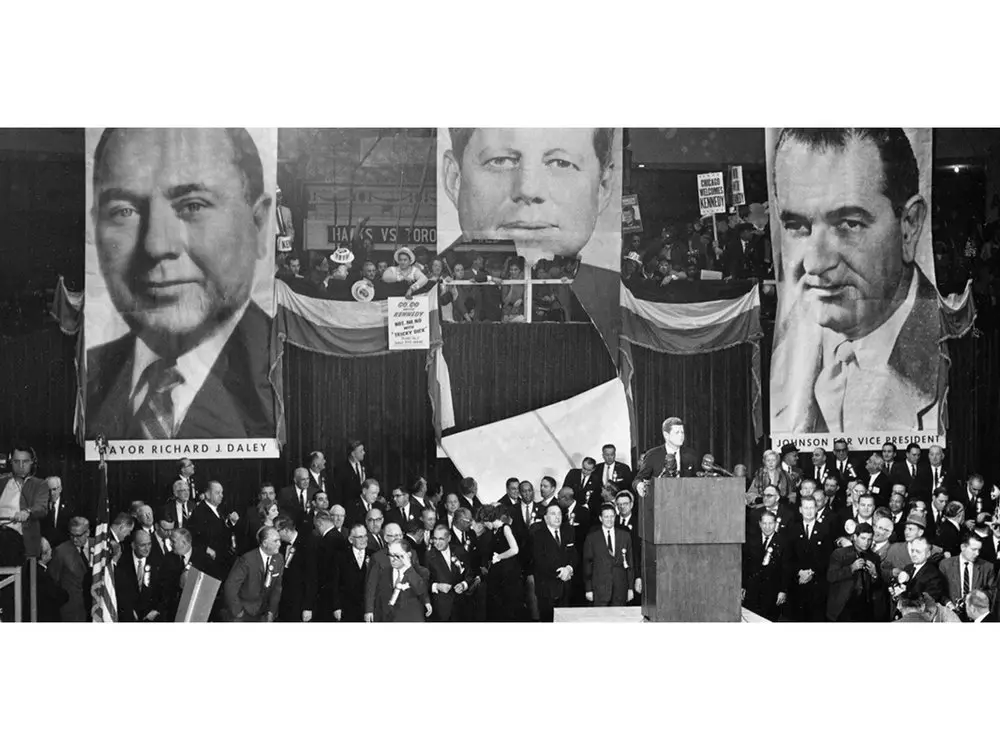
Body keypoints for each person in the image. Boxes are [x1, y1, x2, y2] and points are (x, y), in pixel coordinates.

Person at [86, 128, 276, 440]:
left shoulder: (283, 368)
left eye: (193, 206)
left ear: (258, 223)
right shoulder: (88, 376)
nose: (156, 244)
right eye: (124, 211)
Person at [770, 128, 940, 434]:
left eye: (849, 224)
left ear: (909, 227)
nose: (815, 263)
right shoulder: (783, 356)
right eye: (797, 225)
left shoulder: (955, 356)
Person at [442, 128, 616, 266]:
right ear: (455, 179)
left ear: (603, 187)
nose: (528, 190)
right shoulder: (428, 299)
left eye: (561, 163)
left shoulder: (621, 303)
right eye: (500, 161)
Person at [783, 495, 833, 622]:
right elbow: (788, 557)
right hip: (797, 584)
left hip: (817, 586)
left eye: (812, 507)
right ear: (800, 509)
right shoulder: (792, 529)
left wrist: (811, 573)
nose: (809, 511)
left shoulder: (825, 529)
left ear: (817, 509)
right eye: (806, 508)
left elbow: (827, 557)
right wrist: (799, 572)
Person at [222, 526, 284, 622]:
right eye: (275, 541)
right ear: (264, 543)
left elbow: (277, 588)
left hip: (264, 613)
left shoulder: (279, 559)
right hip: (245, 611)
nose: (279, 544)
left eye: (279, 540)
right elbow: (230, 586)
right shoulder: (247, 560)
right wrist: (238, 611)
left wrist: (272, 611)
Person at [825, 522, 885, 622]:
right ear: (854, 537)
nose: (866, 542)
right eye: (863, 538)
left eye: (869, 539)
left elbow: (878, 588)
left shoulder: (874, 557)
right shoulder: (840, 554)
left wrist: (875, 574)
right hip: (843, 607)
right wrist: (851, 568)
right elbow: (831, 576)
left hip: (864, 608)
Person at [0, 444, 49, 563]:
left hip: (18, 539)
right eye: (16, 462)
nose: (21, 466)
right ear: (10, 462)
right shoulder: (2, 481)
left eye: (25, 462)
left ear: (32, 462)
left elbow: (41, 507)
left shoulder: (39, 484)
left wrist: (27, 512)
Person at [632, 417, 700, 497]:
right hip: (661, 500)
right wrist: (639, 485)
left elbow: (698, 480)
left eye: (682, 432)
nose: (681, 436)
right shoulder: (652, 455)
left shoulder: (691, 455)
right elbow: (637, 480)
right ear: (666, 435)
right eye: (677, 432)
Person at [530, 503, 576, 622]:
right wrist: (560, 573)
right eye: (553, 514)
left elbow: (574, 554)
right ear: (545, 518)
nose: (557, 517)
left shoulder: (568, 531)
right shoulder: (537, 535)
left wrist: (569, 569)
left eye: (559, 514)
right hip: (547, 589)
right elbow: (539, 561)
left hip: (566, 587)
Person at [582, 504, 636, 606]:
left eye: (612, 516)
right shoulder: (592, 538)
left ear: (615, 517)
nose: (609, 519)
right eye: (606, 517)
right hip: (599, 589)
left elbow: (630, 563)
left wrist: (630, 588)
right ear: (600, 518)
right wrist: (588, 589)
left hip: (620, 589)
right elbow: (587, 565)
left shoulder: (625, 536)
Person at [478, 504, 524, 621]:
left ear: (488, 519)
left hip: (508, 574)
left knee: (506, 608)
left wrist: (499, 556)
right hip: (499, 574)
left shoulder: (505, 528)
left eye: (484, 522)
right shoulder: (495, 530)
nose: (483, 525)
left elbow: (515, 549)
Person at [367, 539, 431, 622]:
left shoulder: (420, 572)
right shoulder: (383, 571)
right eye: (390, 555)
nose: (393, 559)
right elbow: (373, 591)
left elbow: (421, 590)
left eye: (397, 556)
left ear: (408, 555)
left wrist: (409, 568)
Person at [741, 510, 786, 620]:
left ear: (775, 524)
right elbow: (745, 565)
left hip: (772, 591)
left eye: (770, 523)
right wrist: (742, 585)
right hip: (752, 590)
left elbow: (786, 568)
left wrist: (783, 590)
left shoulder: (783, 542)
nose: (767, 527)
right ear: (760, 524)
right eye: (764, 523)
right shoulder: (751, 540)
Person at [114, 529, 166, 622]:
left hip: (151, 618)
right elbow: (119, 593)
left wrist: (156, 610)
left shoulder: (158, 562)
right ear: (133, 545)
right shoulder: (122, 562)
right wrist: (129, 612)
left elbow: (163, 591)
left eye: (149, 544)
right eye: (143, 545)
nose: (147, 549)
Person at [938, 533, 996, 616]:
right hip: (951, 615)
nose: (977, 553)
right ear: (963, 547)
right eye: (974, 549)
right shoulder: (945, 565)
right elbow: (940, 591)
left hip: (977, 615)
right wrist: (949, 605)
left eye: (979, 550)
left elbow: (992, 592)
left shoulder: (987, 567)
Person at [425, 525, 474, 622]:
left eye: (441, 539)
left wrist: (464, 585)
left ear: (449, 538)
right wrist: (437, 586)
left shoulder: (460, 551)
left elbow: (469, 573)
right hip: (441, 608)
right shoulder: (428, 556)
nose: (437, 542)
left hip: (461, 606)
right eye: (435, 539)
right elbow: (424, 581)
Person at [48, 517, 93, 622]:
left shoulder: (99, 546)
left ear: (87, 532)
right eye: (72, 535)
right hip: (73, 610)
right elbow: (54, 580)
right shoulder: (61, 551)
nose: (74, 539)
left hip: (96, 606)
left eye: (78, 535)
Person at [274, 515, 317, 623]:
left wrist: (307, 607)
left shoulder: (307, 545)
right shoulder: (281, 546)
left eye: (277, 531)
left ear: (286, 530)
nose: (275, 535)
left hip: (300, 603)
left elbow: (311, 578)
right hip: (284, 601)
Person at [332, 524, 371, 622]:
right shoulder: (340, 556)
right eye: (359, 537)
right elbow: (334, 583)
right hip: (347, 608)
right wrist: (336, 606)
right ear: (350, 539)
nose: (364, 540)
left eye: (365, 536)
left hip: (368, 608)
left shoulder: (373, 554)